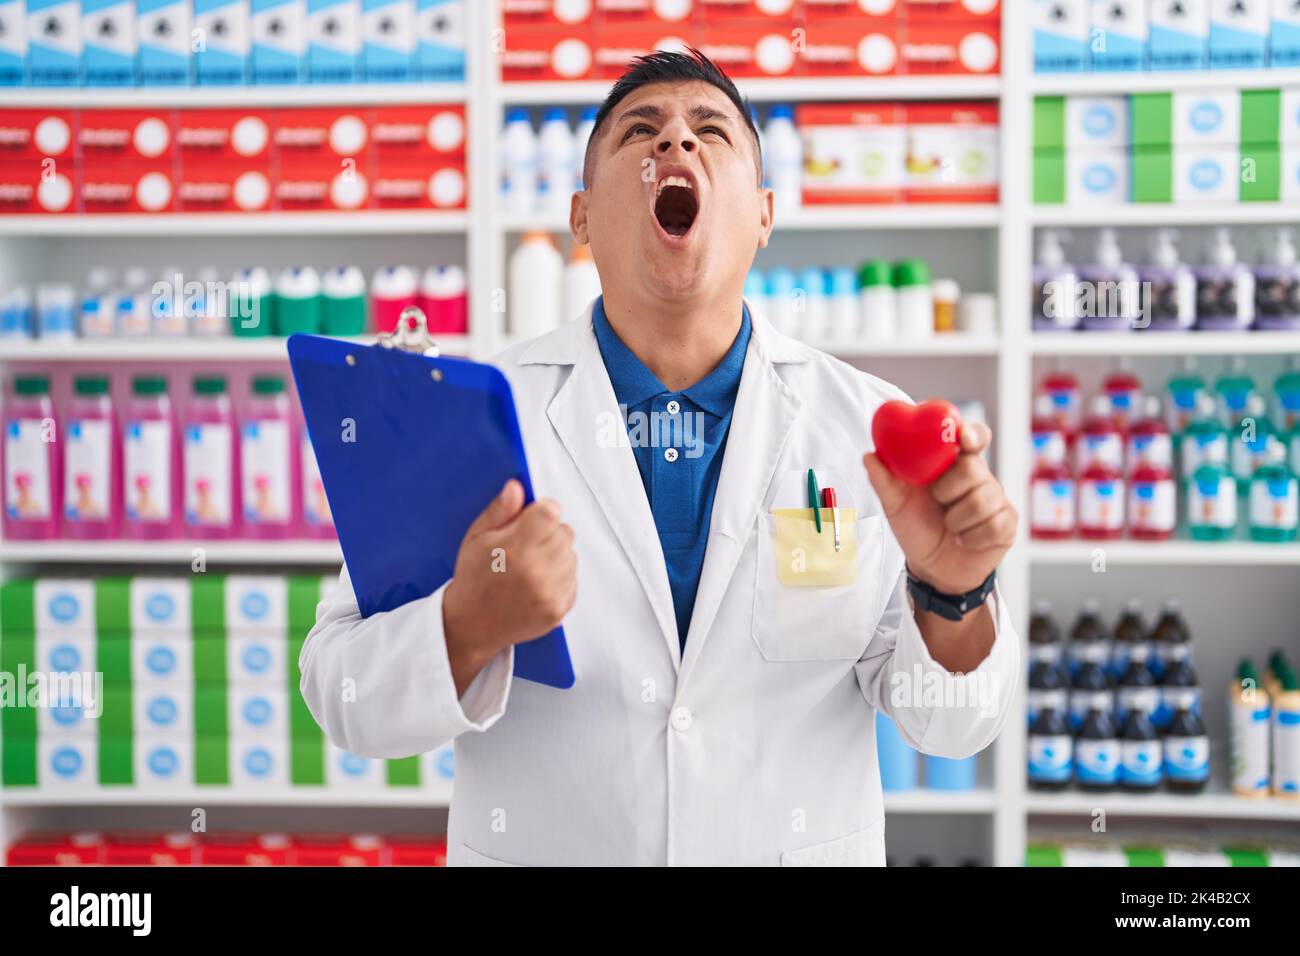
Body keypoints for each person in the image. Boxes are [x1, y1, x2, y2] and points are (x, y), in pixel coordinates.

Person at [300, 49, 1020, 866]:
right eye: (641, 132)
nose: (675, 143)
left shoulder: (866, 428)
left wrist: (954, 593)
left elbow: (954, 726)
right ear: (580, 215)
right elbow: (342, 693)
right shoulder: (467, 415)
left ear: (763, 214)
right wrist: (465, 624)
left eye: (710, 132)